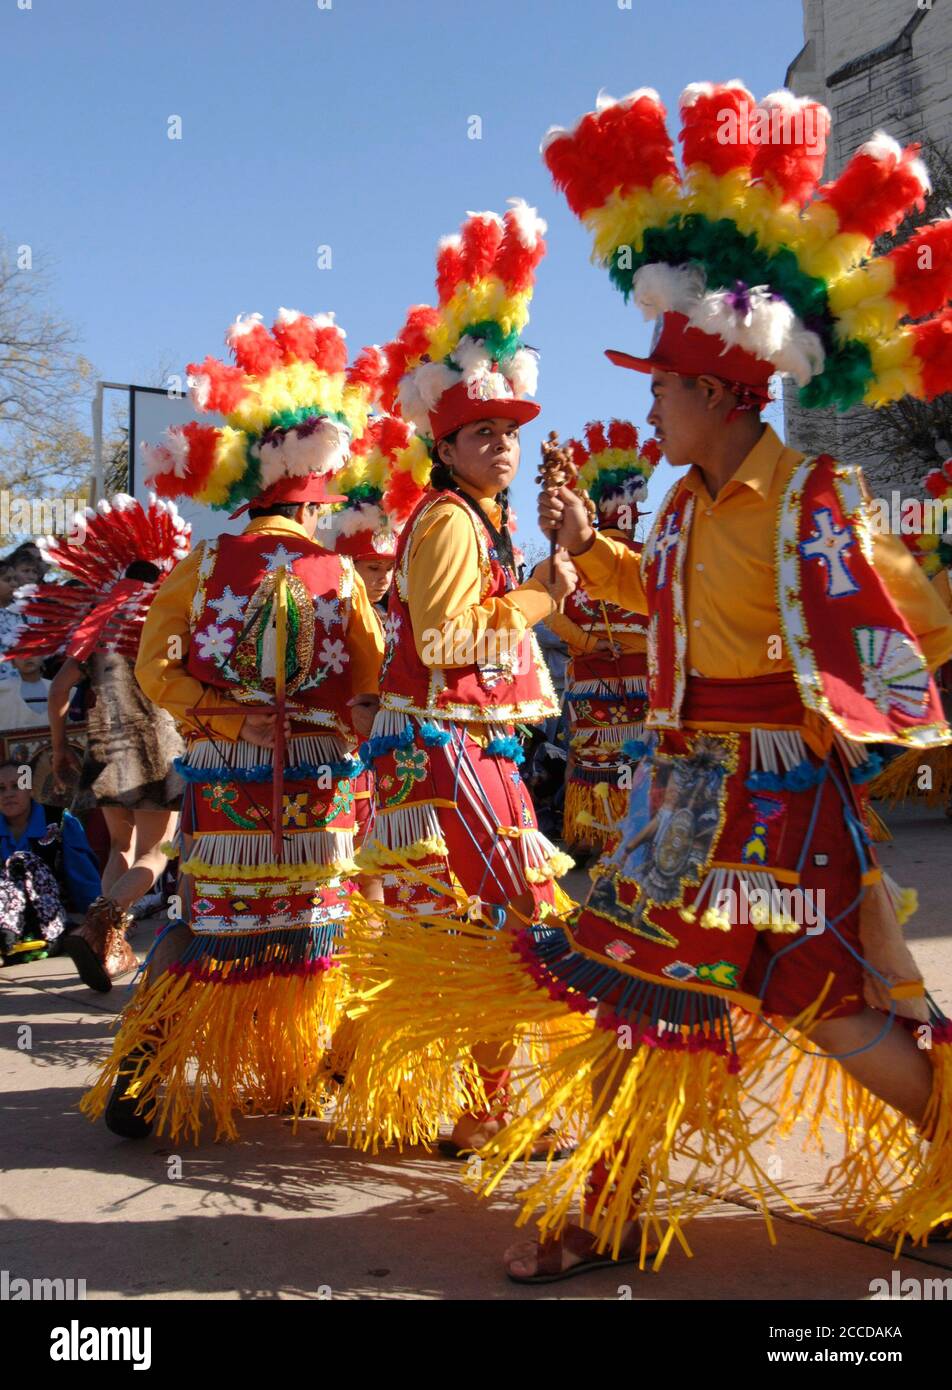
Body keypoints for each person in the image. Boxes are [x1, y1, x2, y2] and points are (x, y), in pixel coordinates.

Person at [79, 307, 384, 1142]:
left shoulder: (205, 564)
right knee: (315, 928)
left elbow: (155, 669)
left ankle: (143, 1073)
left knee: (209, 928)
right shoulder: (344, 578)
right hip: (321, 792)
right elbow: (370, 685)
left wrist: (228, 719)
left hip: (229, 783)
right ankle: (301, 1072)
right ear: (317, 502)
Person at [337, 202, 576, 1158]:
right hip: (447, 752)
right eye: (479, 433)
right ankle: (473, 1105)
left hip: (471, 748)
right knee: (519, 915)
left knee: (480, 929)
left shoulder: (478, 521)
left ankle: (476, 1108)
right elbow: (441, 642)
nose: (500, 445)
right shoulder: (444, 522)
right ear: (443, 445)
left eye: (508, 431)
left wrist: (552, 574)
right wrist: (540, 602)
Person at [11, 498, 190, 992]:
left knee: (120, 845)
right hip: (158, 743)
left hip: (104, 745)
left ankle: (106, 946)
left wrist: (61, 747)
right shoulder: (163, 608)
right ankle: (100, 923)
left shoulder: (100, 618)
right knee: (161, 848)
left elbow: (56, 690)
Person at [544, 420, 659, 854]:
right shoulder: (648, 560)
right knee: (639, 760)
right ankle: (637, 839)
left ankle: (592, 834)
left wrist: (590, 645)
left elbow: (550, 616)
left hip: (590, 682)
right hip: (644, 683)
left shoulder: (573, 560)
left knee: (593, 760)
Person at [0, 759, 101, 964]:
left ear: (30, 788)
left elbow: (83, 877)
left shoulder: (59, 822)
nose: (8, 794)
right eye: (0, 789)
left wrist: (97, 921)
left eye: (17, 785)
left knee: (26, 863)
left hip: (45, 916)